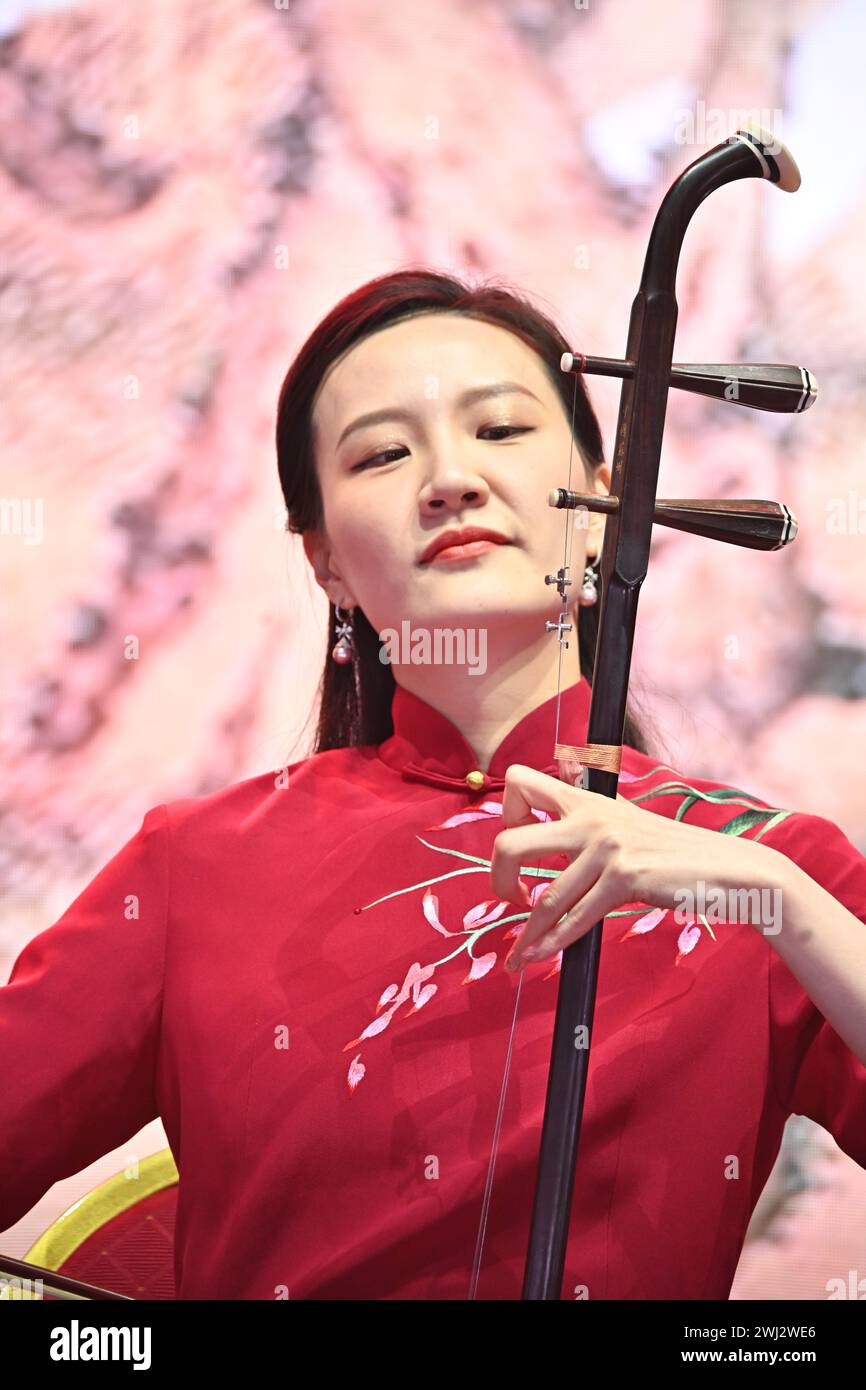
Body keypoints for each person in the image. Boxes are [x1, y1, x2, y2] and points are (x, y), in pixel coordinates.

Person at [2, 269, 866, 1301]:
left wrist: (775, 900)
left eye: (498, 430)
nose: (448, 479)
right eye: (380, 453)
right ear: (323, 562)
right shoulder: (196, 865)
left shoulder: (761, 870)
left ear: (602, 505)